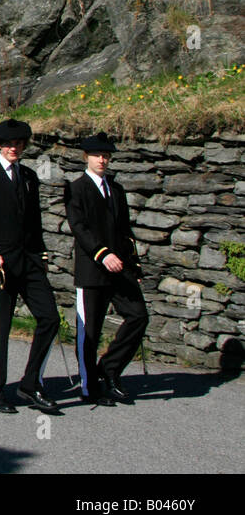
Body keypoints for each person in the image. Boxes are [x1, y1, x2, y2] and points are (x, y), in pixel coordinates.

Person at [0, 119, 60, 414]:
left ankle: (31, 383)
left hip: (30, 262)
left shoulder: (30, 177)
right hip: (1, 264)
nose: (13, 148)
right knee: (2, 327)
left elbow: (35, 223)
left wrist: (42, 256)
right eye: (8, 144)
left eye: (19, 144)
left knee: (50, 318)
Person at [65, 133, 147, 406]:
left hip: (120, 267)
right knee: (90, 330)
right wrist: (103, 255)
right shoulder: (77, 188)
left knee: (138, 316)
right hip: (93, 269)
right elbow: (79, 227)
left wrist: (132, 261)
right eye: (97, 155)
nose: (102, 160)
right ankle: (90, 386)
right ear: (86, 157)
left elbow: (125, 229)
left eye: (106, 156)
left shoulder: (117, 189)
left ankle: (109, 369)